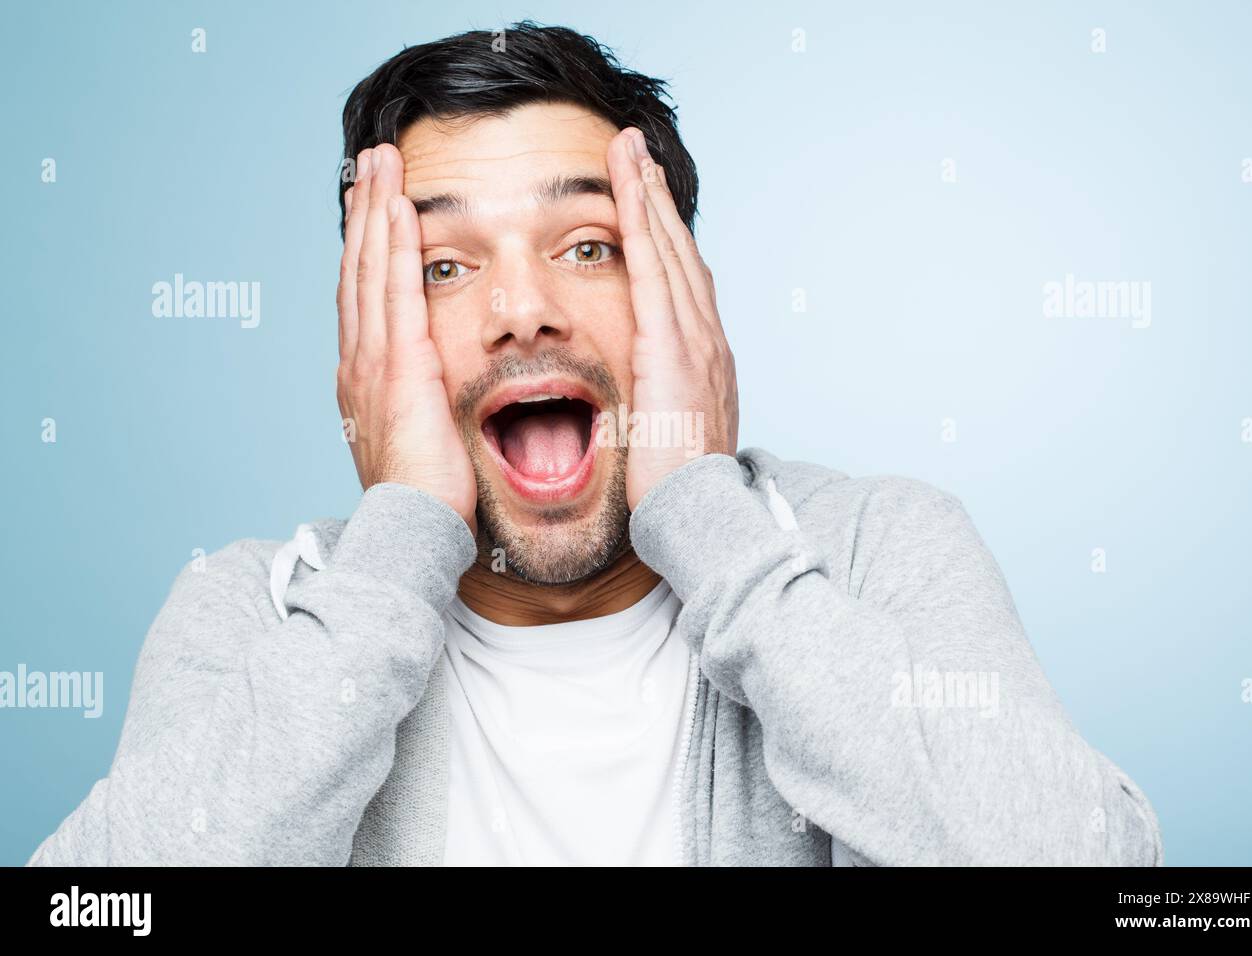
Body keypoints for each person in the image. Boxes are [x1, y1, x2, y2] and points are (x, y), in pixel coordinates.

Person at [27, 21, 1162, 866]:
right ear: (368, 328)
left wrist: (715, 529)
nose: (524, 311)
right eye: (442, 265)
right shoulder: (257, 613)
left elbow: (1098, 870)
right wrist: (396, 550)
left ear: (686, 292)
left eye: (586, 245)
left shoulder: (871, 552)